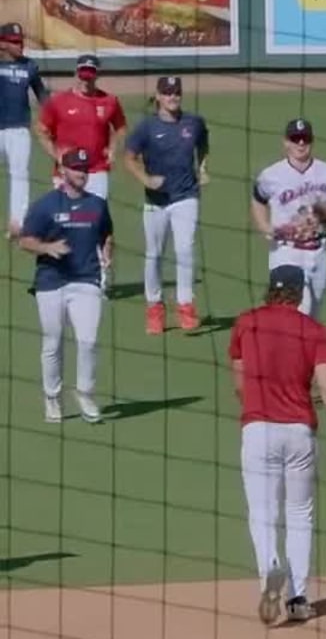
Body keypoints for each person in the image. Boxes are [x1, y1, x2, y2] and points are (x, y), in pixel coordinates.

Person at [230, 265, 326, 625]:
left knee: (262, 513)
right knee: (300, 515)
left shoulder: (246, 323)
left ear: (270, 289)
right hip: (300, 430)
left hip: (258, 429)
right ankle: (299, 598)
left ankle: (270, 569)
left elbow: (238, 382)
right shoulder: (315, 330)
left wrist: (257, 402)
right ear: (300, 293)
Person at [16, 147, 110, 423]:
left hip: (86, 281)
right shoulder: (45, 205)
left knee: (88, 341)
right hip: (50, 283)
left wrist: (107, 252)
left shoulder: (97, 205)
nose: (82, 173)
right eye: (76, 168)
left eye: (84, 168)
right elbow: (24, 241)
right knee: (53, 343)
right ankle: (52, 397)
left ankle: (85, 393)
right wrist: (47, 247)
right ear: (64, 171)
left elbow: (106, 233)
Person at [124, 75, 210, 334]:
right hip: (156, 201)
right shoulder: (146, 127)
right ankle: (154, 307)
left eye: (176, 93)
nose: (173, 97)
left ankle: (185, 306)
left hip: (186, 196)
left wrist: (203, 168)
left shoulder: (193, 122)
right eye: (168, 93)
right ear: (158, 96)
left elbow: (203, 144)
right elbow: (129, 158)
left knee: (185, 250)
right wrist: (146, 179)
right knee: (154, 255)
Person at [250, 118, 326, 319]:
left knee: (312, 317)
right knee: (294, 314)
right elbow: (258, 199)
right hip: (286, 251)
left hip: (318, 251)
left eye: (305, 138)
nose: (300, 143)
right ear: (286, 142)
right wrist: (264, 226)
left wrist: (323, 210)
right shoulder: (271, 175)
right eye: (295, 139)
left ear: (312, 141)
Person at [37, 54, 124, 201]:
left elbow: (120, 127)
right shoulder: (58, 101)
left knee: (95, 217)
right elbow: (41, 129)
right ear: (75, 74)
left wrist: (113, 148)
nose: (86, 79)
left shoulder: (110, 101)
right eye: (82, 74)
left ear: (97, 75)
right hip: (66, 171)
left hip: (97, 170)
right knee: (64, 217)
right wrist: (56, 154)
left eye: (90, 74)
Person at [0, 22, 47, 239]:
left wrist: (51, 119)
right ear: (3, 44)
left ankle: (17, 223)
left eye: (21, 41)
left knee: (19, 176)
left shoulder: (30, 66)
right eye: (15, 42)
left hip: (19, 129)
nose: (20, 45)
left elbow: (42, 96)